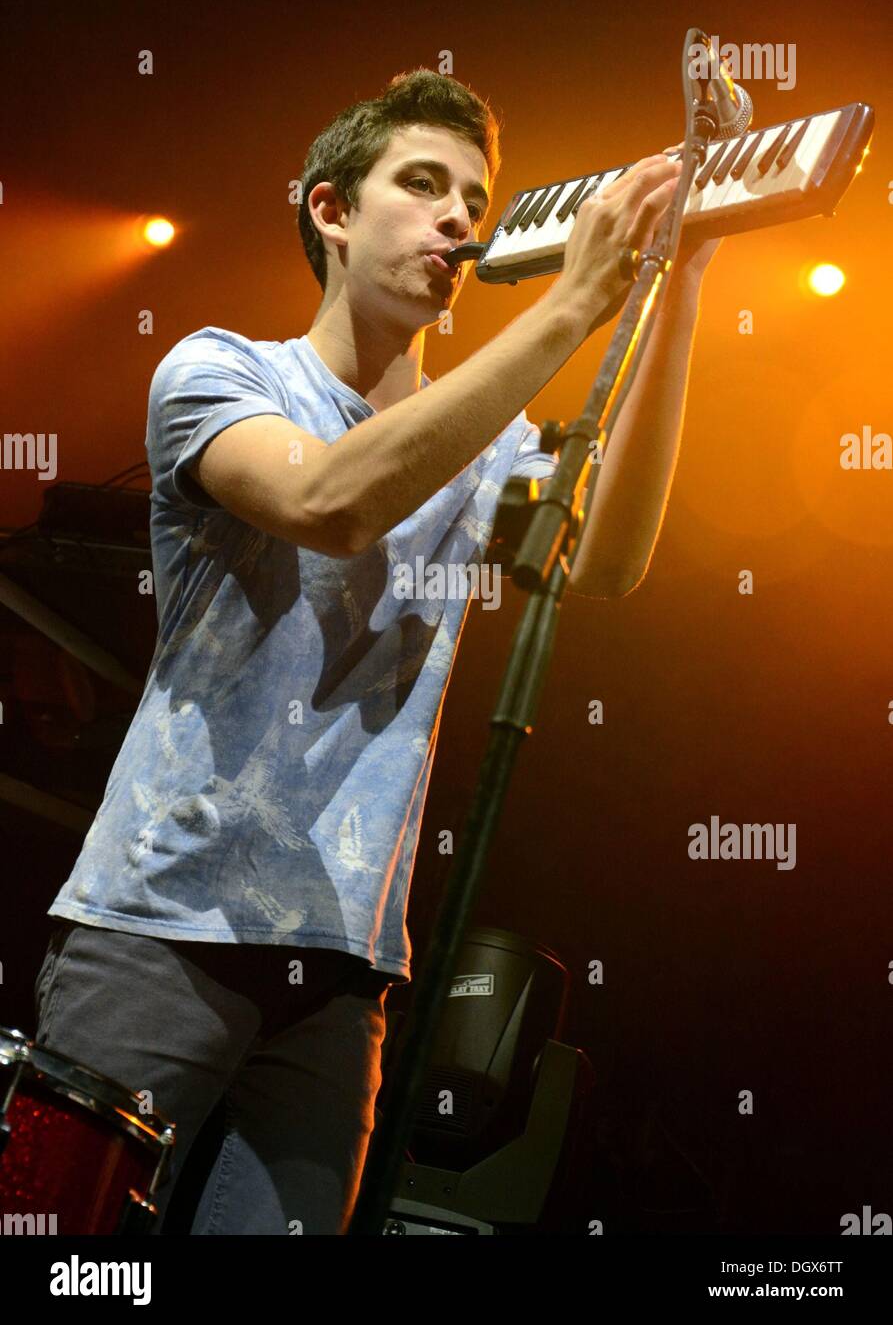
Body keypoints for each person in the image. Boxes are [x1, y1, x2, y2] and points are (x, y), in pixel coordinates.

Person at [33, 68, 720, 1235]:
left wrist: (677, 284)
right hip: (161, 925)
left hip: (342, 968)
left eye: (474, 194)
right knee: (73, 1254)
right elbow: (334, 501)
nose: (460, 217)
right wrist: (567, 307)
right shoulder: (219, 370)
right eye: (420, 183)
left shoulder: (486, 439)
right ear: (330, 210)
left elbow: (606, 561)